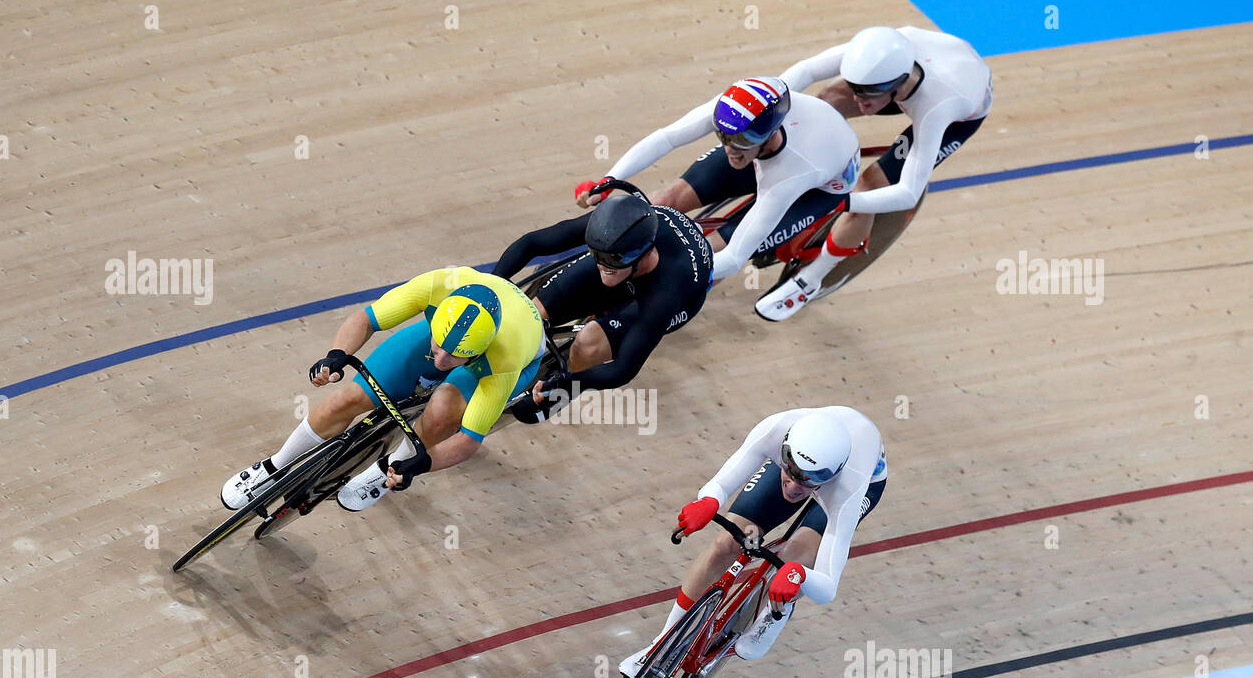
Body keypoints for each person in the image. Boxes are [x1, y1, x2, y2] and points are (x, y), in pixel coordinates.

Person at [220, 267, 543, 512]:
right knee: (348, 398)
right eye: (439, 347)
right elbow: (365, 320)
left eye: (453, 355)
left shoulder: (505, 358)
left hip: (509, 356)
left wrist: (420, 464)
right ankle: (274, 467)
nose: (441, 359)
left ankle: (389, 468)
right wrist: (336, 356)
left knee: (442, 410)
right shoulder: (437, 286)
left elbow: (469, 440)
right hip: (465, 328)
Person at [619, 406, 887, 678]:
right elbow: (720, 484)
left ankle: (776, 611)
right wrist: (708, 502)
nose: (794, 487)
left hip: (861, 483)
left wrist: (799, 574)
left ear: (830, 474)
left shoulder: (847, 487)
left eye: (809, 480)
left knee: (795, 555)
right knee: (726, 543)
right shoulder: (776, 429)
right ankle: (660, 644)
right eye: (791, 471)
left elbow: (828, 586)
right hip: (813, 464)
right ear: (785, 451)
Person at [754, 26, 992, 320]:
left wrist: (843, 202)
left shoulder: (937, 107)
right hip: (928, 66)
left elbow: (908, 193)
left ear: (897, 87)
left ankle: (810, 281)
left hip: (959, 110)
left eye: (867, 94)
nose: (857, 100)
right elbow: (804, 71)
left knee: (869, 187)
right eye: (855, 89)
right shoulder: (877, 54)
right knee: (825, 101)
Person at [573, 76, 861, 303]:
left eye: (741, 142)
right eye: (724, 137)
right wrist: (609, 180)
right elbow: (667, 138)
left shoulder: (793, 172)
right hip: (769, 155)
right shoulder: (738, 112)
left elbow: (734, 256)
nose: (729, 149)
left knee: (710, 249)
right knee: (668, 200)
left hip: (816, 187)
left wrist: (672, 283)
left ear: (770, 134)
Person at [492, 191, 712, 421]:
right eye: (595, 254)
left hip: (677, 299)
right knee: (533, 312)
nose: (600, 265)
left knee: (588, 342)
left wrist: (568, 383)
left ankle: (562, 393)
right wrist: (493, 284)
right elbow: (533, 243)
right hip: (627, 263)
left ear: (642, 255)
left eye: (608, 261)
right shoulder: (611, 231)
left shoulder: (667, 291)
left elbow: (622, 370)